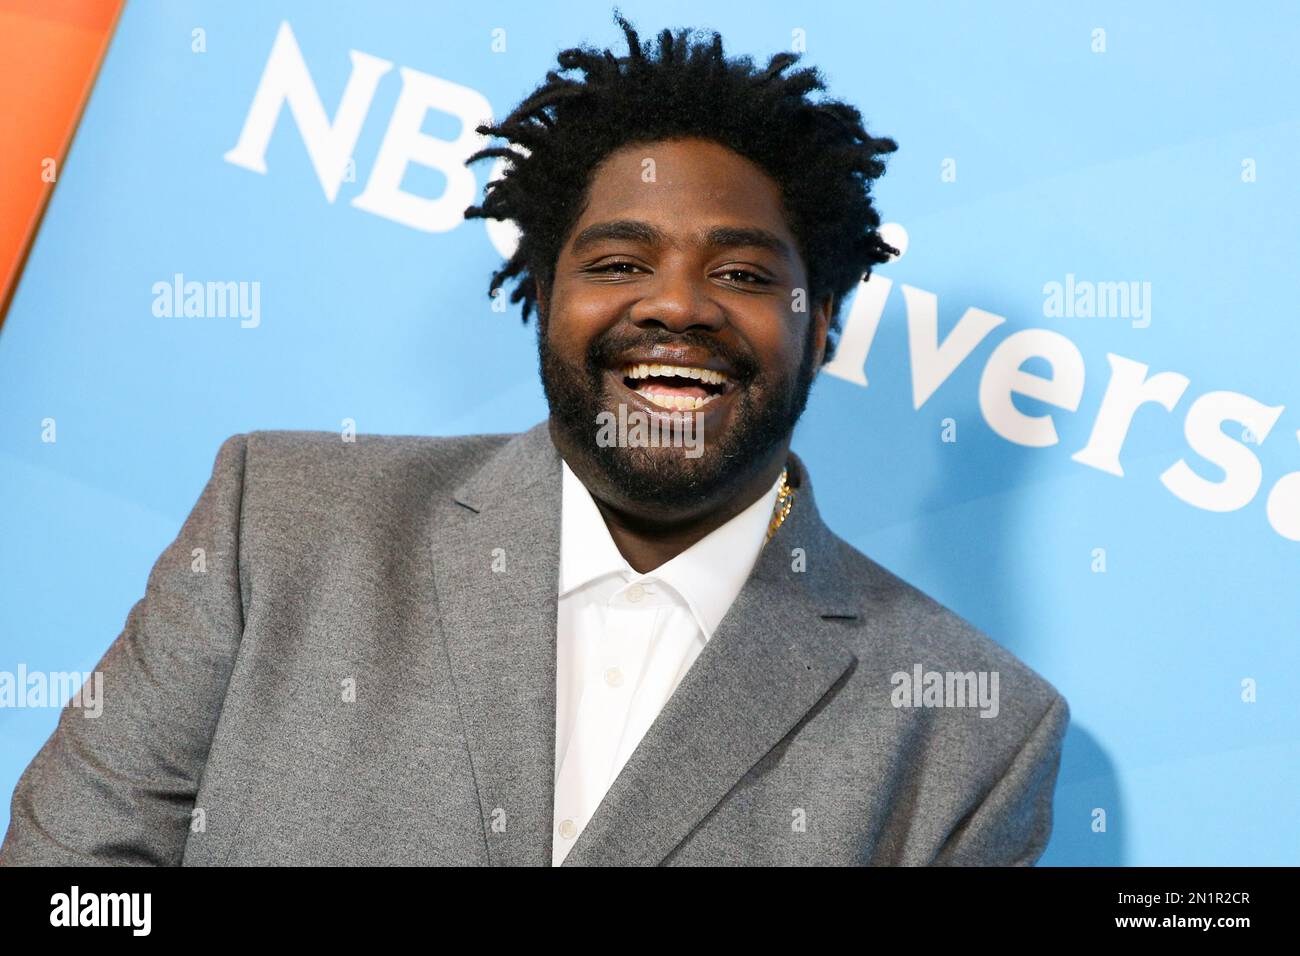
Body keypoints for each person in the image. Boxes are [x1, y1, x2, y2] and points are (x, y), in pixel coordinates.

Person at [0, 13, 1067, 867]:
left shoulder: (971, 728)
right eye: (617, 262)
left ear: (820, 326)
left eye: (741, 274)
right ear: (541, 297)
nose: (677, 306)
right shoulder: (276, 522)